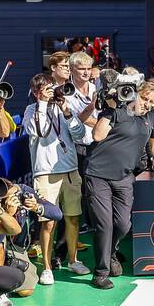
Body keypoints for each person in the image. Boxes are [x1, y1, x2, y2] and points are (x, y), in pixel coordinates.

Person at [83, 73, 154, 289]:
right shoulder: (116, 111)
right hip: (97, 174)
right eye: (145, 99)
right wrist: (110, 109)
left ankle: (112, 252)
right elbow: (97, 136)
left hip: (125, 177)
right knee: (104, 224)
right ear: (135, 95)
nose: (147, 104)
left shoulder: (150, 118)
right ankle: (100, 272)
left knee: (123, 225)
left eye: (152, 101)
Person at [22, 74, 91, 283]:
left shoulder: (64, 107)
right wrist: (42, 104)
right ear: (36, 92)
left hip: (70, 170)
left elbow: (80, 136)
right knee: (48, 222)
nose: (52, 92)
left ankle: (73, 260)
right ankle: (47, 267)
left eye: (53, 88)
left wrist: (68, 112)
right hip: (45, 174)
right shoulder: (31, 110)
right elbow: (38, 131)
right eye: (46, 89)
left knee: (72, 218)